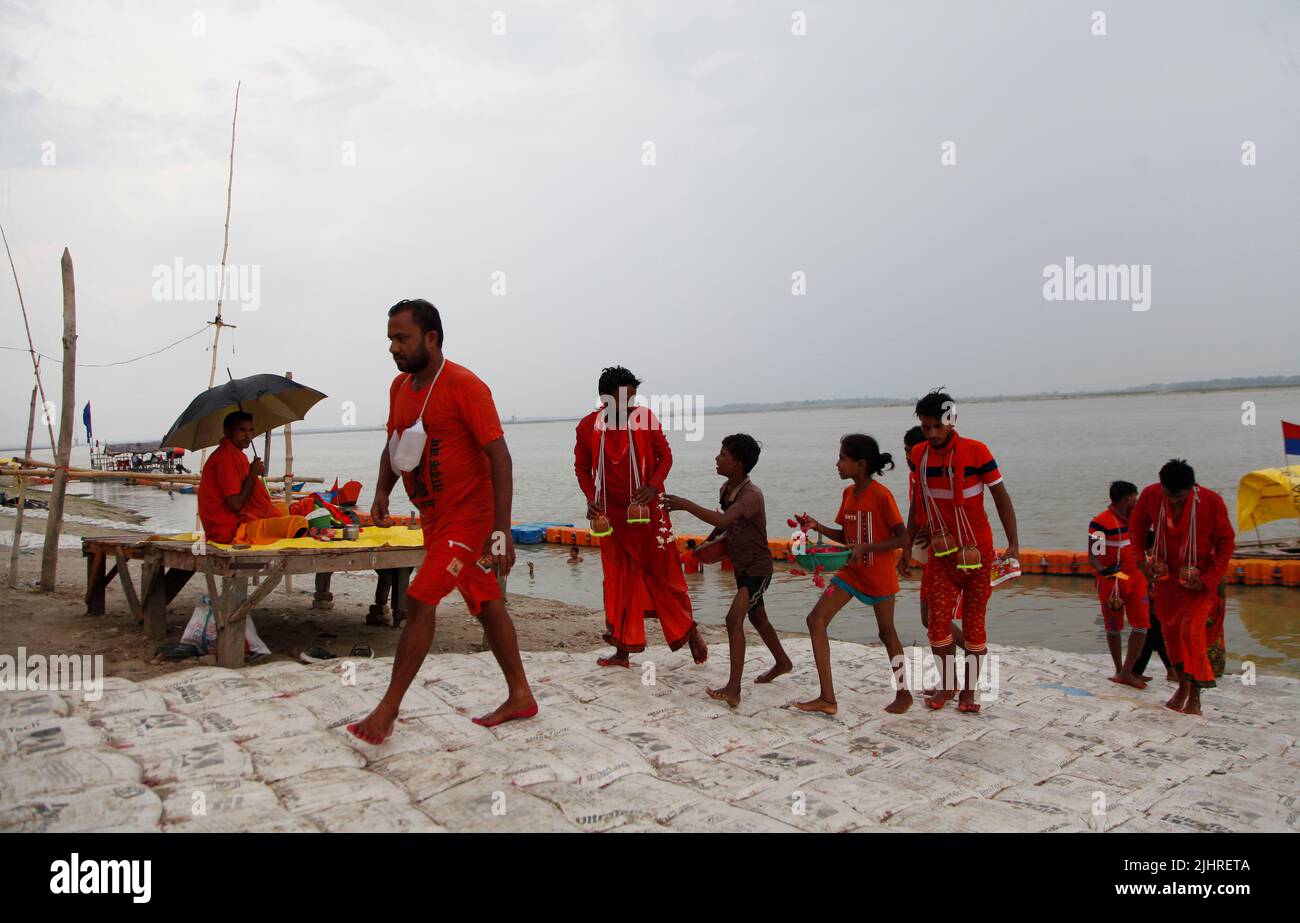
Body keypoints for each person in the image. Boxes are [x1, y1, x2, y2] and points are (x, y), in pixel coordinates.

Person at [348, 298, 536, 743]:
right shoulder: (399, 388)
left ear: (431, 338)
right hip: (433, 518)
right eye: (391, 339)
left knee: (420, 598)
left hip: (469, 518)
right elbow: (394, 445)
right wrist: (381, 490)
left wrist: (501, 529)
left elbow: (500, 458)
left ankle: (387, 711)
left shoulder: (465, 386)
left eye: (402, 338)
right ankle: (521, 694)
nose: (394, 347)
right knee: (488, 604)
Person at [574, 366, 707, 667]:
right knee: (618, 578)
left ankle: (691, 631)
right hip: (612, 518)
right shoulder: (587, 427)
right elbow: (582, 468)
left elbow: (665, 456)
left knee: (666, 574)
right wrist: (591, 499)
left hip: (649, 511)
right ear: (605, 398)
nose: (631, 405)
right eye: (625, 398)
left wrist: (653, 486)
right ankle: (623, 650)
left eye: (633, 397)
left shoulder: (644, 418)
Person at [899, 390, 1019, 714]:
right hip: (942, 554)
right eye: (926, 427)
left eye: (938, 426)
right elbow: (916, 506)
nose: (933, 434)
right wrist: (906, 546)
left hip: (978, 554)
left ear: (951, 420)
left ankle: (969, 692)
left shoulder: (977, 452)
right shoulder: (921, 455)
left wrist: (1014, 543)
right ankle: (947, 684)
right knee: (936, 625)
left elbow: (1001, 497)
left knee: (975, 624)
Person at [665, 433, 792, 707]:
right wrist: (705, 545)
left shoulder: (751, 496)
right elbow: (723, 526)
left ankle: (733, 689)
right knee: (759, 620)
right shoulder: (726, 490)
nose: (717, 457)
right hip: (740, 566)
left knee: (734, 620)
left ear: (738, 464)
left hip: (758, 569)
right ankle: (782, 661)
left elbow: (725, 517)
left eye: (723, 454)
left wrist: (685, 504)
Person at [792, 435, 912, 715]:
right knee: (815, 619)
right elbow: (846, 537)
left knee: (887, 633)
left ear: (860, 464)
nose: (837, 464)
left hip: (879, 576)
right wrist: (817, 525)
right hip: (850, 574)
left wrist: (867, 547)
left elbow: (903, 539)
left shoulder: (882, 495)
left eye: (842, 459)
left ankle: (904, 693)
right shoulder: (848, 495)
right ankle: (827, 698)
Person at [1128, 459, 1235, 716]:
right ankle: (1183, 687)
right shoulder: (1152, 495)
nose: (1174, 502)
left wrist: (1207, 580)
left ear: (1192, 488)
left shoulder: (1211, 502)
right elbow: (1137, 527)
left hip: (1201, 580)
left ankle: (1195, 696)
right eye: (1170, 496)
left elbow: (1226, 544)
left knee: (1192, 633)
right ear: (1161, 486)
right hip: (1166, 579)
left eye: (1180, 497)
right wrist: (1142, 562)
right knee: (1171, 633)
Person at [197, 412, 311, 544]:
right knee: (297, 522)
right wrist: (252, 474)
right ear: (227, 432)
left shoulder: (235, 454)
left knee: (281, 508)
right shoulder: (225, 458)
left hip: (237, 521)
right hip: (230, 530)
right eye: (242, 430)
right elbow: (235, 504)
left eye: (251, 430)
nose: (248, 436)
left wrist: (252, 473)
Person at [1087, 481, 1150, 689]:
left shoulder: (1137, 520)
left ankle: (1127, 670)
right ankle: (1119, 669)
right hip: (1112, 583)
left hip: (1137, 578)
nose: (1138, 499)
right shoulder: (1100, 522)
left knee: (1142, 625)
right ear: (1126, 499)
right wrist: (1104, 571)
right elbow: (1094, 555)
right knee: (1113, 627)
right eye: (1135, 496)